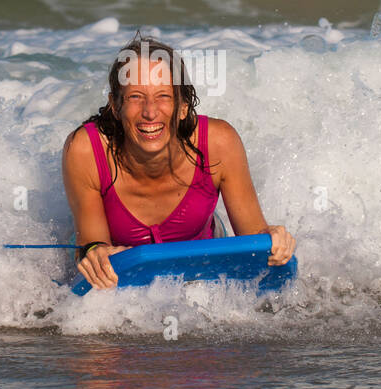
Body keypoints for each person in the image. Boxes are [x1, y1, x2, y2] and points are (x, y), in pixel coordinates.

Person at [62, 35, 296, 290]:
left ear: (183, 106)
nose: (150, 112)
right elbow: (94, 247)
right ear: (115, 107)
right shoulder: (86, 150)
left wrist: (273, 239)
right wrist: (95, 252)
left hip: (203, 261)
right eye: (135, 97)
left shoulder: (219, 143)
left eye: (163, 96)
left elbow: (255, 247)